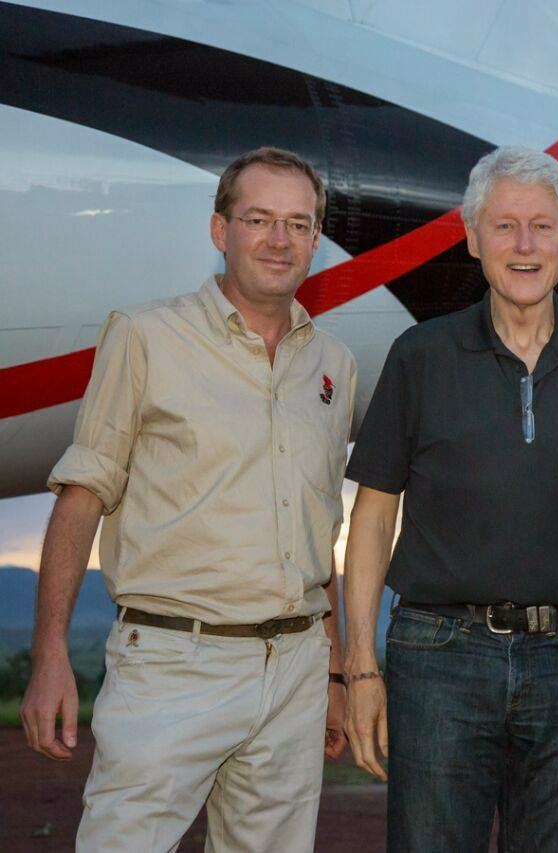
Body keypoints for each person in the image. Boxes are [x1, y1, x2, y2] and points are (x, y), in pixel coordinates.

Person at [19, 146, 355, 850]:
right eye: (258, 219)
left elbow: (319, 527)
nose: (278, 239)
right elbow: (83, 495)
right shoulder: (146, 337)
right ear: (219, 230)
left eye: (298, 224)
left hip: (294, 669)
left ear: (316, 242)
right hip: (173, 662)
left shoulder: (334, 365)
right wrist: (50, 652)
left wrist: (333, 668)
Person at [340, 145, 558, 852]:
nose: (525, 245)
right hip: (437, 656)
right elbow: (371, 516)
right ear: (471, 236)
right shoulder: (419, 356)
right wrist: (360, 663)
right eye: (505, 225)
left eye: (543, 226)